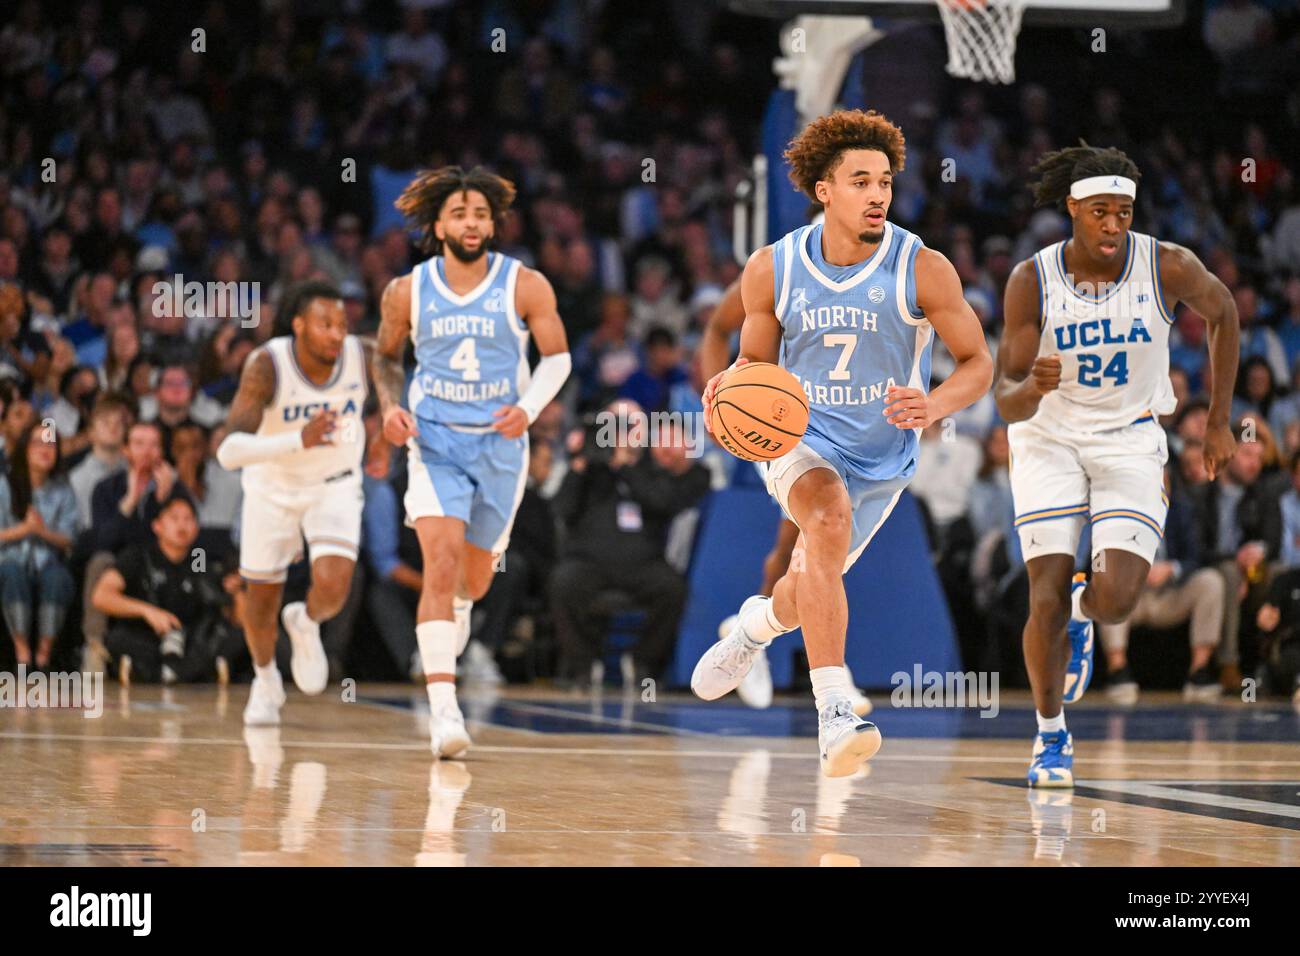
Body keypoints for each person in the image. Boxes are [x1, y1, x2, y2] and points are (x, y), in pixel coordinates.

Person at [691, 110, 993, 778]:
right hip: (802, 439)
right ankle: (835, 712)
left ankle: (752, 630)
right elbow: (755, 373)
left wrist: (935, 402)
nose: (878, 193)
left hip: (884, 456)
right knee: (824, 517)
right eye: (861, 180)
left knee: (809, 580)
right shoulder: (773, 268)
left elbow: (978, 361)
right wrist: (728, 395)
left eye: (884, 180)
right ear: (824, 189)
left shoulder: (924, 267)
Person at [994, 144, 1238, 787]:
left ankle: (1085, 611)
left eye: (1123, 213)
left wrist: (1217, 419)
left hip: (1130, 437)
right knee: (1040, 595)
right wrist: (1031, 390)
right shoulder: (1031, 279)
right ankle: (1051, 737)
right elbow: (1005, 399)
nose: (1112, 226)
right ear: (1072, 208)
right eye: (1099, 212)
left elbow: (1225, 314)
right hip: (1048, 438)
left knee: (1119, 600)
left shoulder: (1167, 266)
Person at [373, 165, 571, 758]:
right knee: (438, 560)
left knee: (477, 576)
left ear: (493, 224)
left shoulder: (525, 284)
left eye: (481, 213)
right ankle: (443, 709)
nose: (471, 222)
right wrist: (387, 407)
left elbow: (556, 358)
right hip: (434, 441)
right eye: (459, 213)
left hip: (500, 447)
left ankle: (459, 607)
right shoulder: (406, 291)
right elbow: (384, 359)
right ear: (438, 224)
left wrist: (529, 409)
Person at [696, 272, 873, 714]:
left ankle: (751, 629)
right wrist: (724, 404)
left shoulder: (876, 276)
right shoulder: (781, 270)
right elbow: (718, 328)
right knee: (810, 537)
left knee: (810, 545)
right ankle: (825, 671)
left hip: (847, 429)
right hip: (784, 428)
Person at [216, 280, 367, 726]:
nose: (337, 333)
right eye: (325, 324)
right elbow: (228, 451)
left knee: (336, 585)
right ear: (299, 325)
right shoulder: (267, 365)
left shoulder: (362, 355)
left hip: (333, 482)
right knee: (259, 600)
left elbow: (396, 385)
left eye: (342, 324)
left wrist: (388, 427)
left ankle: (305, 619)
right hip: (271, 485)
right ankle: (265, 682)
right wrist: (296, 439)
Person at [549, 403, 710, 686]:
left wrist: (626, 466)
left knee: (672, 590)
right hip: (589, 562)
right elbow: (562, 509)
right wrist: (579, 465)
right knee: (563, 583)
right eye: (613, 427)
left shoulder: (652, 468)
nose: (620, 436)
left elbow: (662, 502)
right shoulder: (588, 469)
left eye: (628, 428)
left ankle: (641, 662)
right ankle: (584, 665)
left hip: (643, 564)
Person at [93, 492, 243, 685]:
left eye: (188, 519)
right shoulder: (139, 555)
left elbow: (212, 597)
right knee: (118, 639)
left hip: (189, 637)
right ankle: (185, 671)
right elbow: (101, 596)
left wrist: (228, 590)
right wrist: (147, 611)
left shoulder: (198, 557)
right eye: (174, 518)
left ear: (196, 528)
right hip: (148, 634)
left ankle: (160, 672)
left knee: (232, 638)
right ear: (157, 526)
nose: (182, 525)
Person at [0, 424, 78, 668]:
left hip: (48, 562)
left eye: (51, 444)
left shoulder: (63, 490)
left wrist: (42, 532)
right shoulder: (4, 485)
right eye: (38, 443)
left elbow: (70, 538)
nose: (45, 450)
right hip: (9, 560)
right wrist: (23, 530)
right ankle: (22, 651)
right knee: (12, 574)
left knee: (57, 578)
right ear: (25, 449)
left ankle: (44, 654)